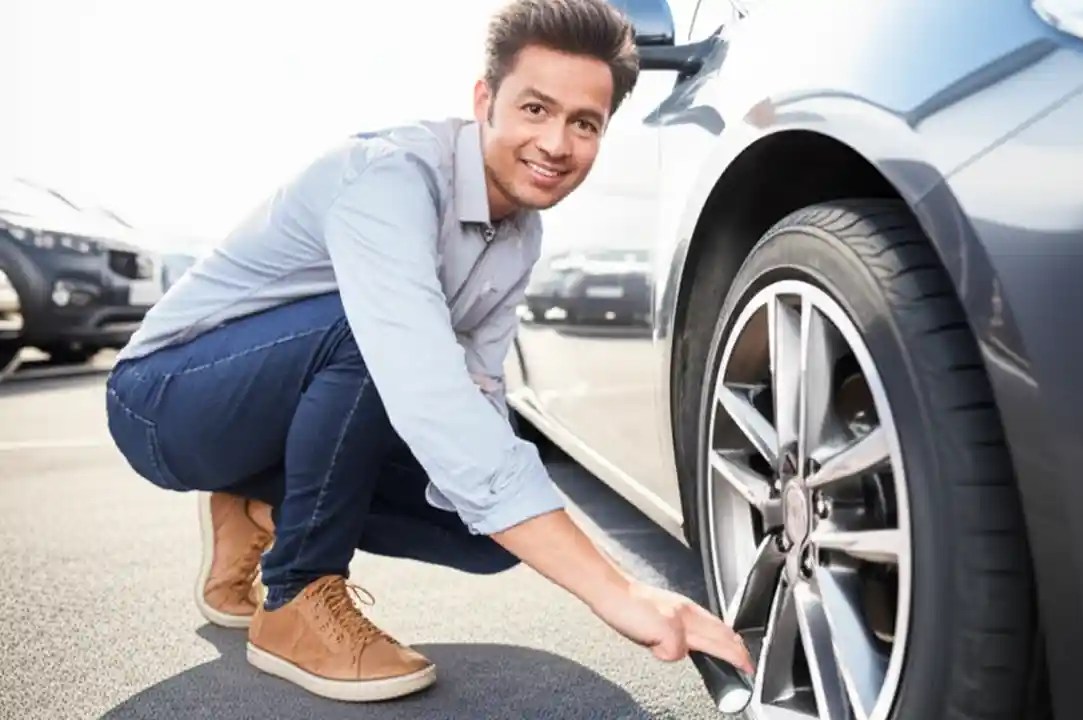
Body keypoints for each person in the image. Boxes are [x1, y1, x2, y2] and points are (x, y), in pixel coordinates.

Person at [104, 0, 753, 703]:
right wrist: (619, 592)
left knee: (484, 531)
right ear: (485, 100)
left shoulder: (521, 234)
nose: (557, 144)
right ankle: (295, 596)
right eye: (535, 109)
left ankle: (258, 502)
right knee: (374, 340)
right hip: (164, 401)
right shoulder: (389, 177)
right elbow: (422, 386)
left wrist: (519, 513)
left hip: (278, 405)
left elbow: (477, 393)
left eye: (584, 123)